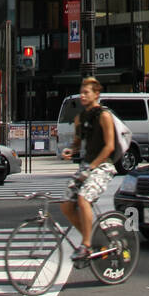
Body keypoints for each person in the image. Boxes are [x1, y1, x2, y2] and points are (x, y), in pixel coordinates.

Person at [60, 77, 116, 262]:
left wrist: (92, 167)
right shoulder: (80, 118)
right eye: (81, 92)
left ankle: (86, 245)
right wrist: (71, 150)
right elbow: (78, 142)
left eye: (87, 92)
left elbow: (109, 146)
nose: (82, 96)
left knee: (84, 198)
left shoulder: (104, 115)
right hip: (87, 165)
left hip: (103, 166)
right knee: (67, 205)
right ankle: (92, 237)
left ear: (96, 94)